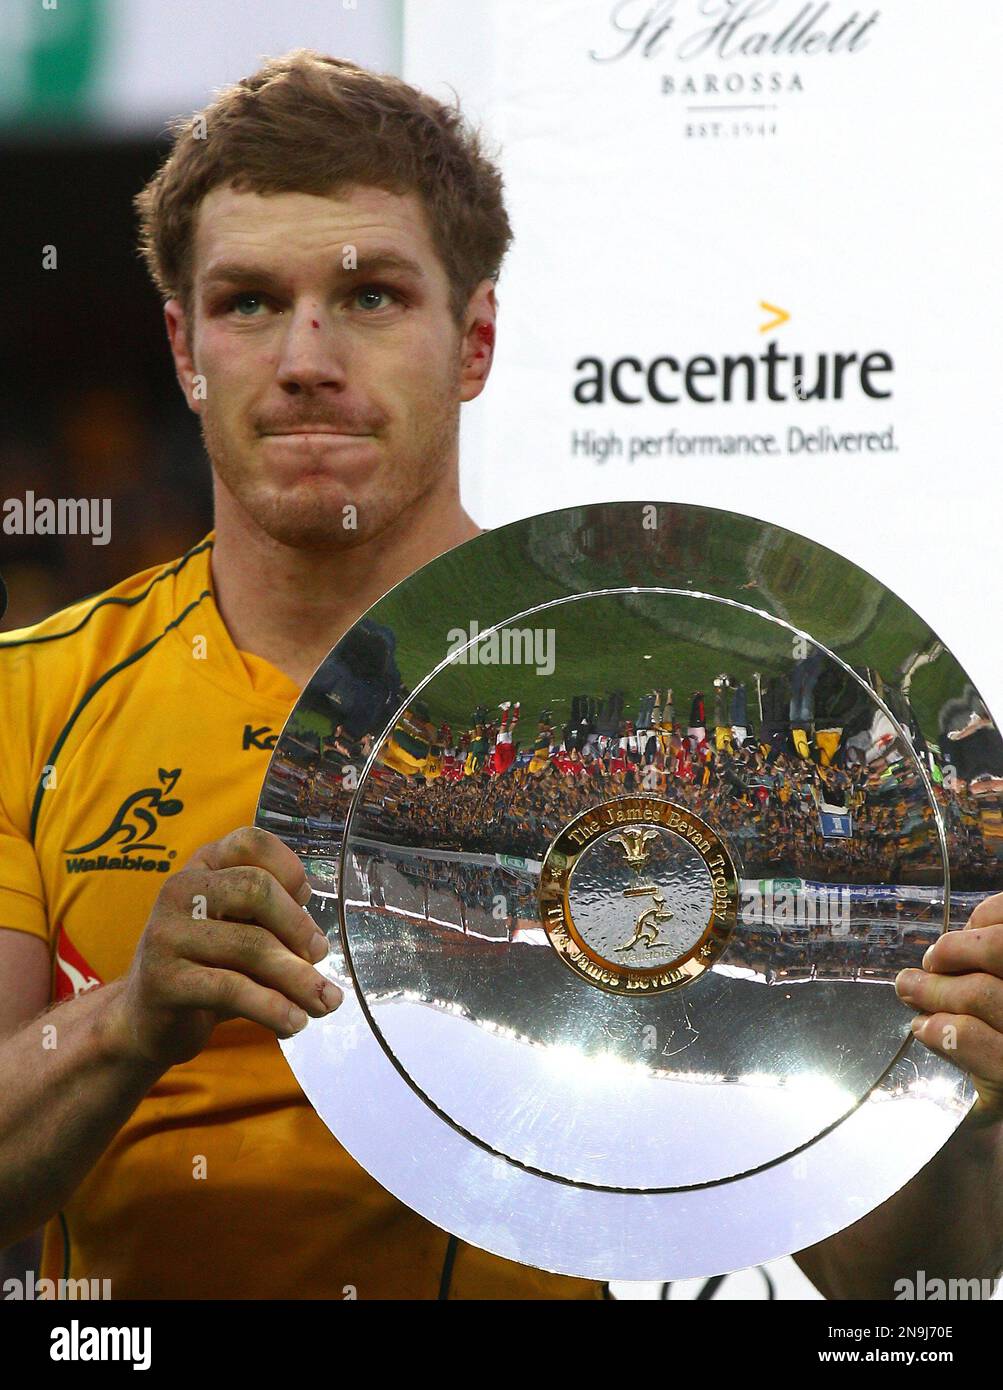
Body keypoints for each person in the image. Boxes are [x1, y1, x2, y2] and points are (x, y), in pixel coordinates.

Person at [1, 50, 1001, 1304]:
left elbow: (887, 1291)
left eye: (370, 297)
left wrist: (950, 1113)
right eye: (249, 302)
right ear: (183, 346)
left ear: (473, 340)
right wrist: (126, 1021)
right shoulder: (27, 699)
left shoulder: (670, 708)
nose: (306, 356)